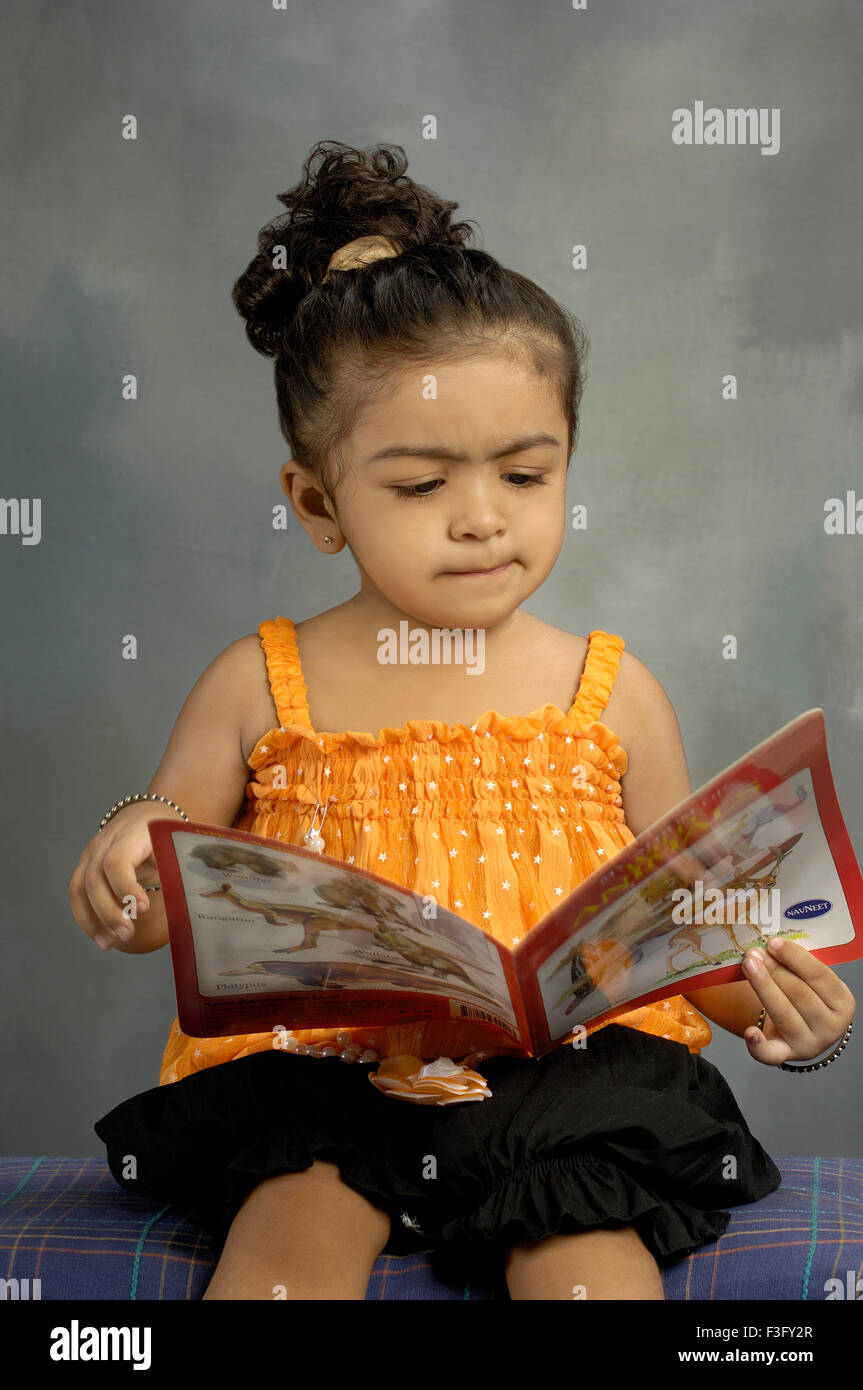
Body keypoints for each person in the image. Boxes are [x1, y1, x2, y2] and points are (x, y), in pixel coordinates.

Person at [73, 140, 856, 1302]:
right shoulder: (260, 680)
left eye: (525, 475)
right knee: (286, 1247)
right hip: (326, 1084)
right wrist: (129, 845)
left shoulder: (612, 690)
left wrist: (792, 1010)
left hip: (568, 1081)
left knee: (586, 1261)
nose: (481, 520)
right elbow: (164, 873)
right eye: (421, 485)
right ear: (318, 501)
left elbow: (687, 941)